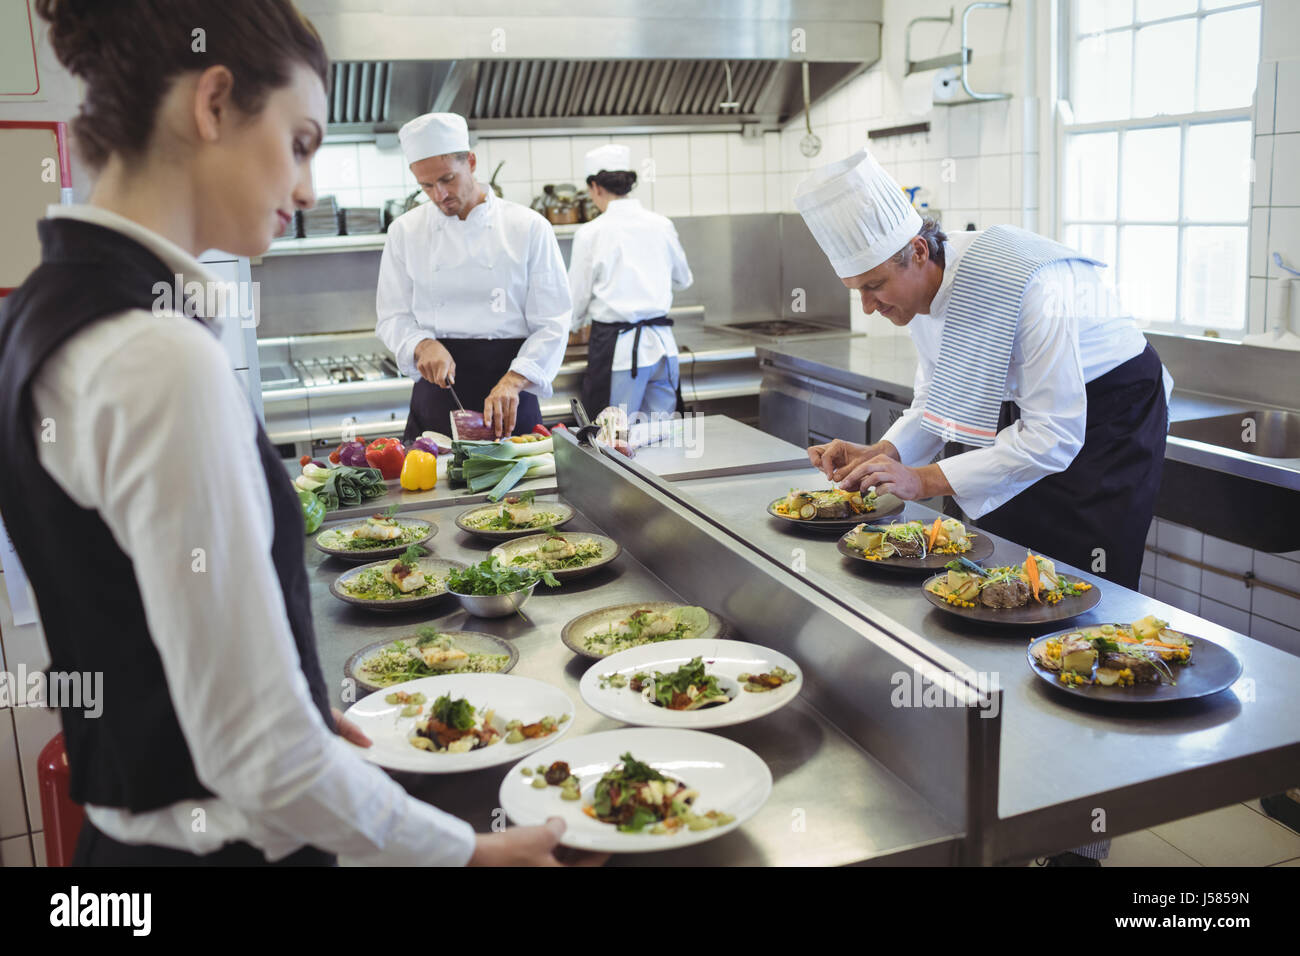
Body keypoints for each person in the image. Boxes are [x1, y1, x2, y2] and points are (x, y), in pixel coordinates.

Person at [0, 0, 599, 867]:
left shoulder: (48, 314)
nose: (308, 190)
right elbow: (264, 759)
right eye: (302, 141)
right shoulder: (159, 356)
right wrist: (472, 854)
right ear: (213, 105)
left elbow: (137, 621)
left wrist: (286, 693)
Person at [798, 148, 1172, 594]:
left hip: (1109, 415)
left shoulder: (1027, 287)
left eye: (875, 286)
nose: (868, 305)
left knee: (1077, 574)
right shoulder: (922, 292)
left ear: (918, 251)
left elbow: (1052, 437)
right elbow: (937, 398)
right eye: (857, 290)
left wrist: (920, 480)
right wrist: (883, 453)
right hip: (1023, 412)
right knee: (988, 556)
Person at [376, 112, 572, 440]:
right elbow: (391, 317)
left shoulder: (528, 227)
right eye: (426, 185)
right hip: (438, 392)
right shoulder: (405, 232)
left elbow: (553, 322)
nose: (439, 194)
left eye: (447, 179)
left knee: (521, 489)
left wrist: (514, 380)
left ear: (471, 161)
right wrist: (421, 345)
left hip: (510, 390)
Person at [569, 144, 694, 418]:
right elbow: (684, 280)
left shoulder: (591, 233)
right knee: (662, 438)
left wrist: (569, 327)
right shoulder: (661, 224)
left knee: (612, 439)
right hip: (663, 347)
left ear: (595, 187)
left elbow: (576, 300)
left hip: (617, 350)